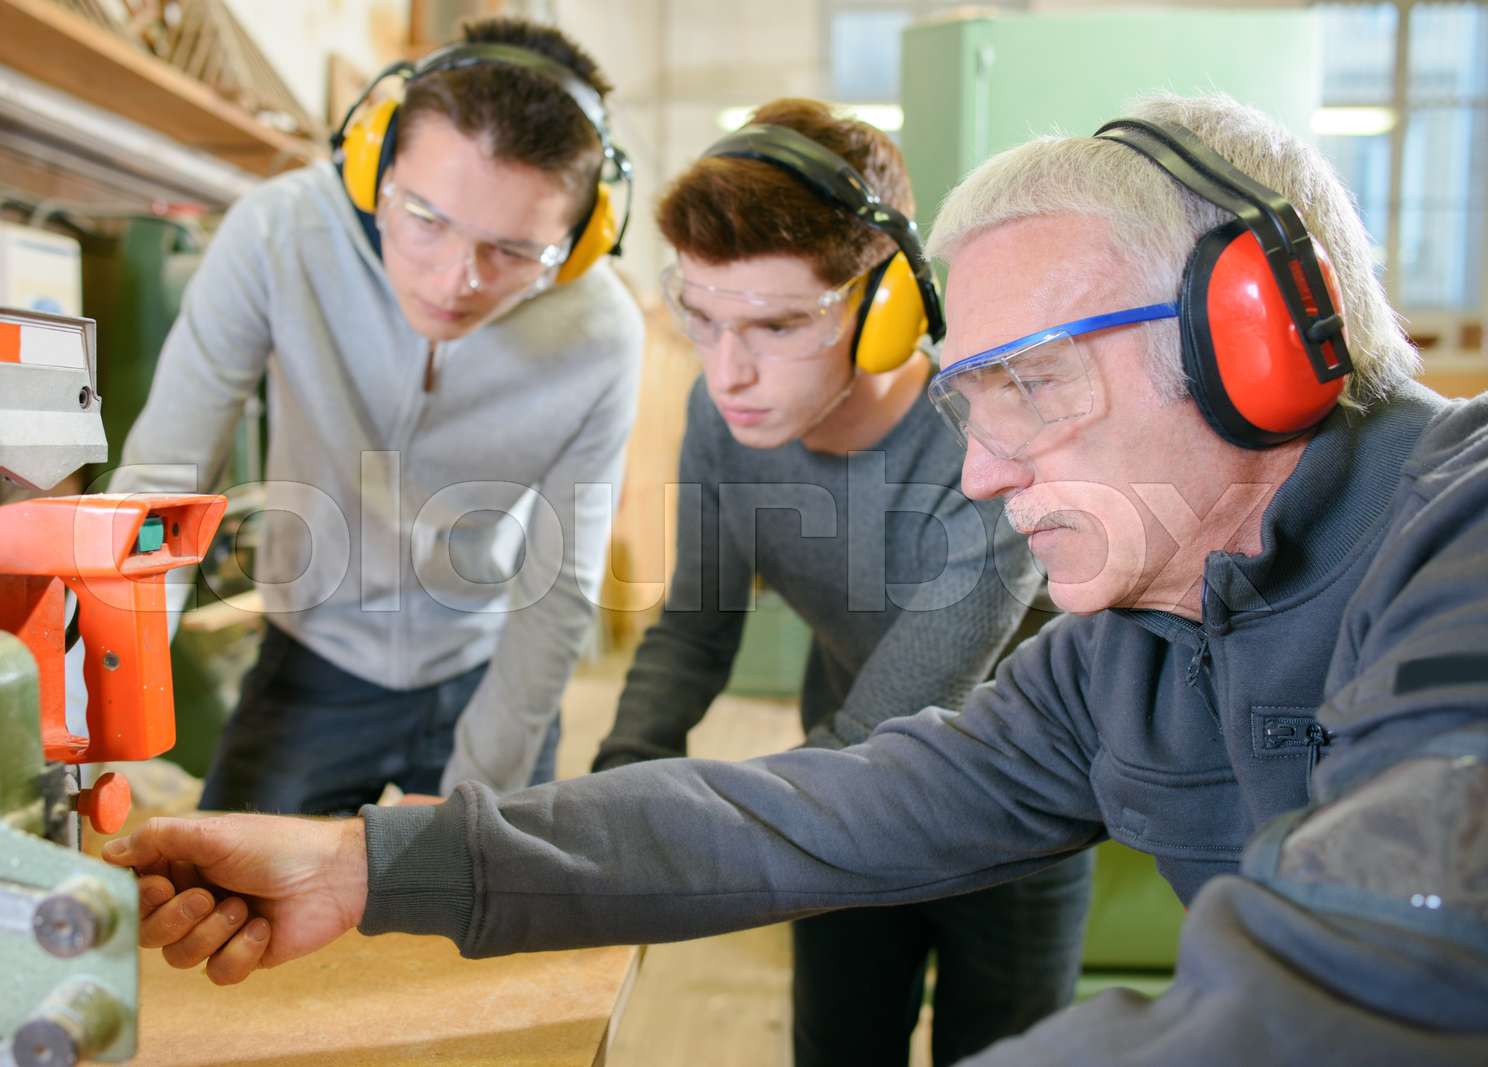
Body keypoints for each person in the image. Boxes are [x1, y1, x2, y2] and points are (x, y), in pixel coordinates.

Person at [106, 92, 1488, 1065]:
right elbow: (800, 812)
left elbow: (1384, 975)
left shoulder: (1464, 527)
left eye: (1034, 385)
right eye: (970, 400)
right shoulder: (1114, 658)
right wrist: (366, 859)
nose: (990, 471)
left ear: (1256, 333)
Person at [590, 98, 1091, 1066]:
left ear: (886, 307)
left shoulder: (991, 440)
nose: (728, 372)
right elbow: (695, 627)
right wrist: (615, 788)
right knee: (837, 1044)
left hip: (1018, 805)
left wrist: (651, 846)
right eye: (700, 316)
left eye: (777, 324)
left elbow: (878, 743)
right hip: (835, 779)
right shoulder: (722, 411)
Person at [108, 18, 645, 812]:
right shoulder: (277, 233)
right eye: (425, 218)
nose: (455, 279)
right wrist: (104, 708)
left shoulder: (601, 333)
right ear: (374, 164)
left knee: (487, 923)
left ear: (583, 237)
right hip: (312, 660)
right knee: (226, 912)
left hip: (494, 668)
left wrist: (479, 792)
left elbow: (560, 583)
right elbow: (160, 481)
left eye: (511, 252)